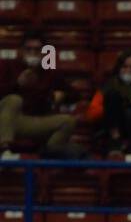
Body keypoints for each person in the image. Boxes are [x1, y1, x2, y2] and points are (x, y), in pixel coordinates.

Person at [0, 30, 75, 158]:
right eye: (28, 49)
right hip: (8, 119)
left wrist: (61, 95)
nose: (32, 53)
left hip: (33, 121)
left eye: (36, 49)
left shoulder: (49, 72)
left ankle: (49, 154)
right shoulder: (8, 67)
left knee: (68, 121)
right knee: (14, 99)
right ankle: (4, 151)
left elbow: (73, 95)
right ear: (21, 51)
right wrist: (17, 84)